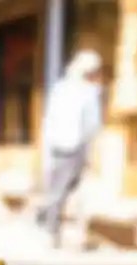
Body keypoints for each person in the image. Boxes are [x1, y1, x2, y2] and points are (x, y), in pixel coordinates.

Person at [37, 50, 103, 242]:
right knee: (73, 187)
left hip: (57, 143)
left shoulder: (60, 88)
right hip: (76, 144)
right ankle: (57, 226)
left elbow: (49, 117)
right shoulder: (89, 92)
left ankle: (51, 223)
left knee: (58, 186)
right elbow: (93, 124)